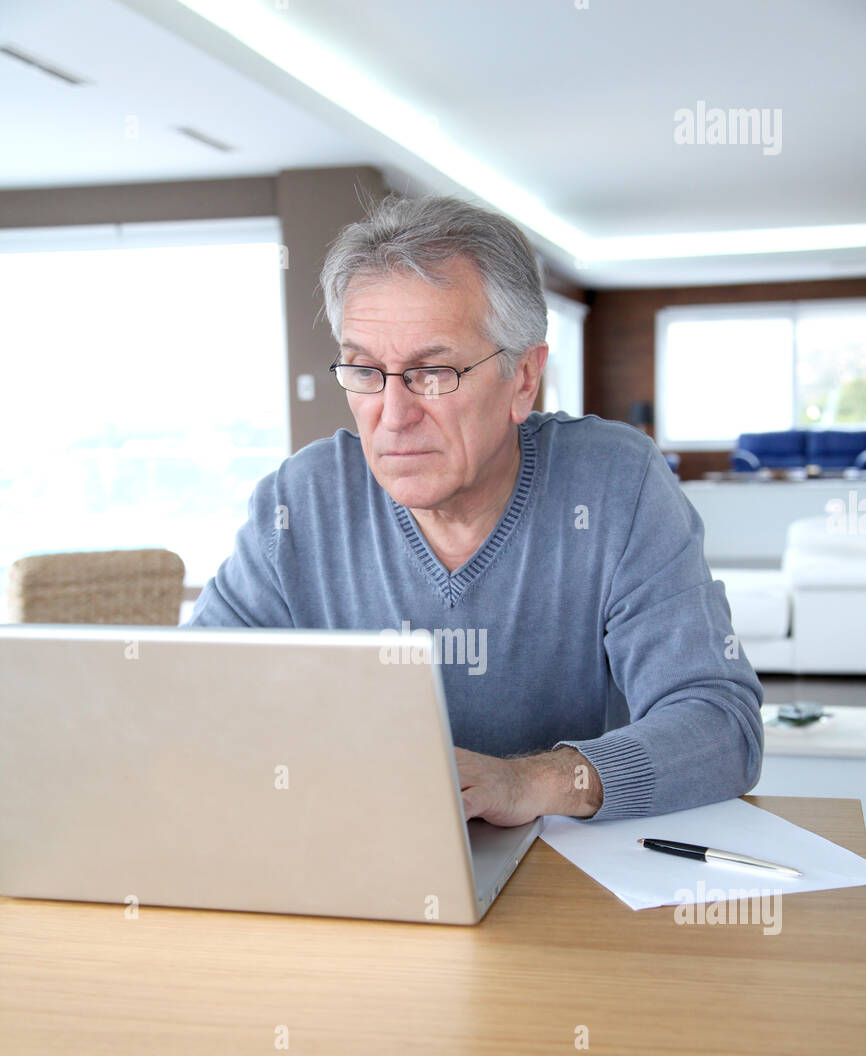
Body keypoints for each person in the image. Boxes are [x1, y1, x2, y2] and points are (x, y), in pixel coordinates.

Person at [184, 193, 763, 825]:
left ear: (523, 379)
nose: (395, 415)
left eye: (433, 372)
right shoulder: (300, 501)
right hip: (352, 857)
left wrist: (529, 783)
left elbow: (721, 726)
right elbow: (188, 698)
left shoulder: (615, 484)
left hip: (563, 883)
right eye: (365, 370)